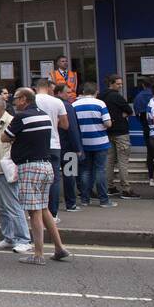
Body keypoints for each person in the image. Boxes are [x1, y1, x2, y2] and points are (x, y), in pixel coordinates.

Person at [3, 87, 71, 265]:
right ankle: (59, 248)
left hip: (29, 167)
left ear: (24, 99)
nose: (14, 102)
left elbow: (5, 137)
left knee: (34, 212)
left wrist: (16, 139)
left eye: (16, 99)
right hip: (46, 165)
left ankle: (38, 254)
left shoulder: (21, 117)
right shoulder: (44, 115)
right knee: (44, 208)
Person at [0, 94, 32, 253]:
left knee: (13, 205)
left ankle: (24, 239)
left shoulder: (10, 121)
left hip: (6, 170)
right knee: (3, 206)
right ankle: (9, 238)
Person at [72, 83, 115, 208]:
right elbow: (107, 123)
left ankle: (85, 199)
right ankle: (104, 200)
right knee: (100, 170)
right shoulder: (100, 104)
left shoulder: (74, 105)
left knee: (85, 171)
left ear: (83, 92)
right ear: (96, 92)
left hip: (83, 143)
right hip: (100, 141)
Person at [32, 79, 69, 219]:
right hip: (53, 144)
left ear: (36, 88)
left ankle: (35, 213)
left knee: (35, 179)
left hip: (35, 144)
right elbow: (65, 125)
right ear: (48, 88)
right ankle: (52, 214)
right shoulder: (57, 102)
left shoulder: (31, 100)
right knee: (53, 179)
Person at [100, 74, 138, 198]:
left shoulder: (101, 96)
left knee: (109, 160)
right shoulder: (117, 96)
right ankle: (126, 188)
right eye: (118, 83)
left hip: (107, 130)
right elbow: (129, 110)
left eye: (121, 83)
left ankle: (109, 186)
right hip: (121, 132)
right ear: (111, 83)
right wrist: (122, 115)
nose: (121, 86)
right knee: (123, 160)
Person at [53, 82, 84, 212]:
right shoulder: (67, 107)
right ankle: (71, 203)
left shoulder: (51, 106)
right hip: (68, 147)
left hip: (54, 146)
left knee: (54, 176)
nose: (70, 95)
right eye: (67, 92)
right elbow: (72, 129)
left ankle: (53, 203)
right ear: (59, 93)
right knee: (69, 175)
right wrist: (78, 148)